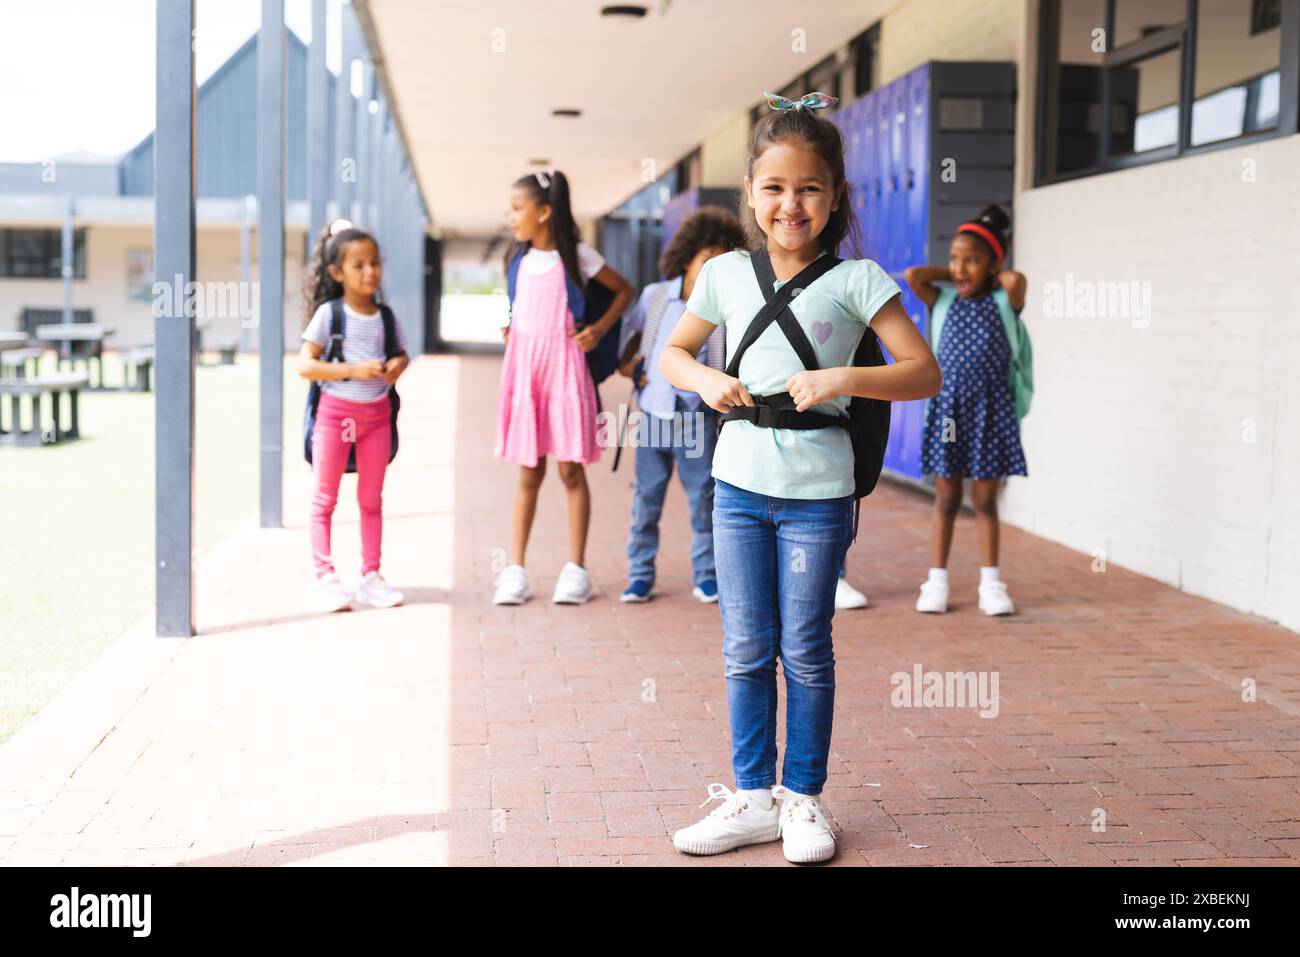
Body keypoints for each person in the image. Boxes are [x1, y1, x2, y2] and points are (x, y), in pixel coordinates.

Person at [659, 90, 942, 863]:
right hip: (738, 489)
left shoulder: (858, 281)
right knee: (745, 646)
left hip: (819, 495)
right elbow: (671, 353)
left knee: (806, 648)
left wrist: (847, 377)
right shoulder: (722, 274)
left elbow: (923, 372)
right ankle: (752, 796)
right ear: (751, 193)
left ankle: (804, 800)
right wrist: (704, 381)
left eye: (810, 187)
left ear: (836, 196)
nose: (792, 204)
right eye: (775, 187)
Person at [492, 169, 634, 605]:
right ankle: (515, 570)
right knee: (529, 471)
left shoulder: (578, 257)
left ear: (545, 211)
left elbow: (624, 291)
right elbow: (520, 306)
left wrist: (597, 329)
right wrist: (512, 326)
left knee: (571, 470)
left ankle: (576, 569)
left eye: (518, 209)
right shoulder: (515, 259)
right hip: (525, 370)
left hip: (566, 369)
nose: (511, 217)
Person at [904, 204, 1027, 616]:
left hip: (991, 412)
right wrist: (957, 271)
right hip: (950, 412)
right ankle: (935, 581)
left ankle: (991, 584)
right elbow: (914, 276)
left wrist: (987, 271)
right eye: (955, 258)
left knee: (987, 501)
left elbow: (1015, 280)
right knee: (947, 497)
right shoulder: (940, 299)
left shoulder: (1003, 300)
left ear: (994, 263)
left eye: (971, 260)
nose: (960, 268)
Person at [616, 208, 743, 604]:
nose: (712, 269)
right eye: (706, 259)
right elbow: (632, 347)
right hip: (654, 412)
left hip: (696, 418)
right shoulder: (657, 296)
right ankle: (639, 575)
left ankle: (706, 576)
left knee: (703, 498)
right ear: (686, 256)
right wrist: (631, 369)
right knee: (646, 497)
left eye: (721, 262)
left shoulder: (726, 308)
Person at [298, 219, 410, 613]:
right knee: (324, 498)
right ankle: (326, 578)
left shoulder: (386, 316)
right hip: (335, 416)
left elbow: (401, 354)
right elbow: (305, 366)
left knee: (371, 499)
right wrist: (353, 370)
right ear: (336, 273)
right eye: (359, 265)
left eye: (375, 263)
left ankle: (371, 577)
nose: (370, 272)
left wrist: (396, 366)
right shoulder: (329, 316)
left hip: (377, 417)